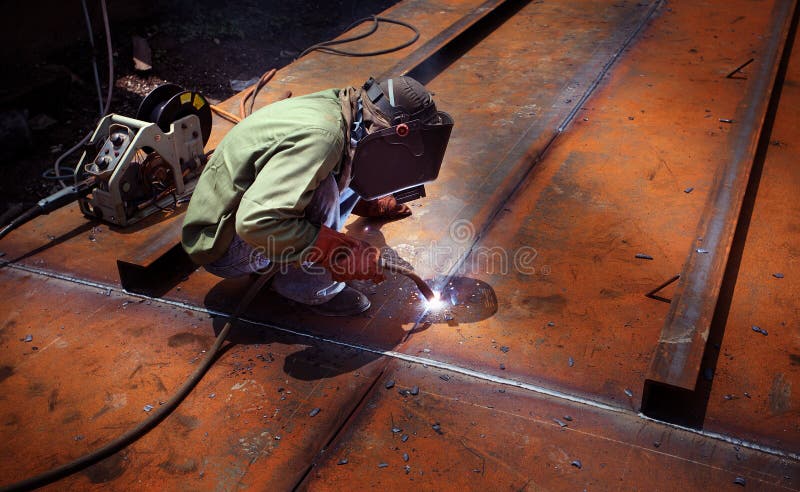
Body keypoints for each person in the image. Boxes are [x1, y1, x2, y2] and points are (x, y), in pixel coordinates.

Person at [181, 75, 453, 316]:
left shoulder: (345, 108)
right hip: (225, 245)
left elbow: (336, 164)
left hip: (245, 206)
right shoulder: (324, 138)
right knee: (324, 187)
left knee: (342, 167)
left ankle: (286, 261)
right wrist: (341, 251)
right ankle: (309, 287)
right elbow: (257, 221)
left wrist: (366, 200)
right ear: (393, 130)